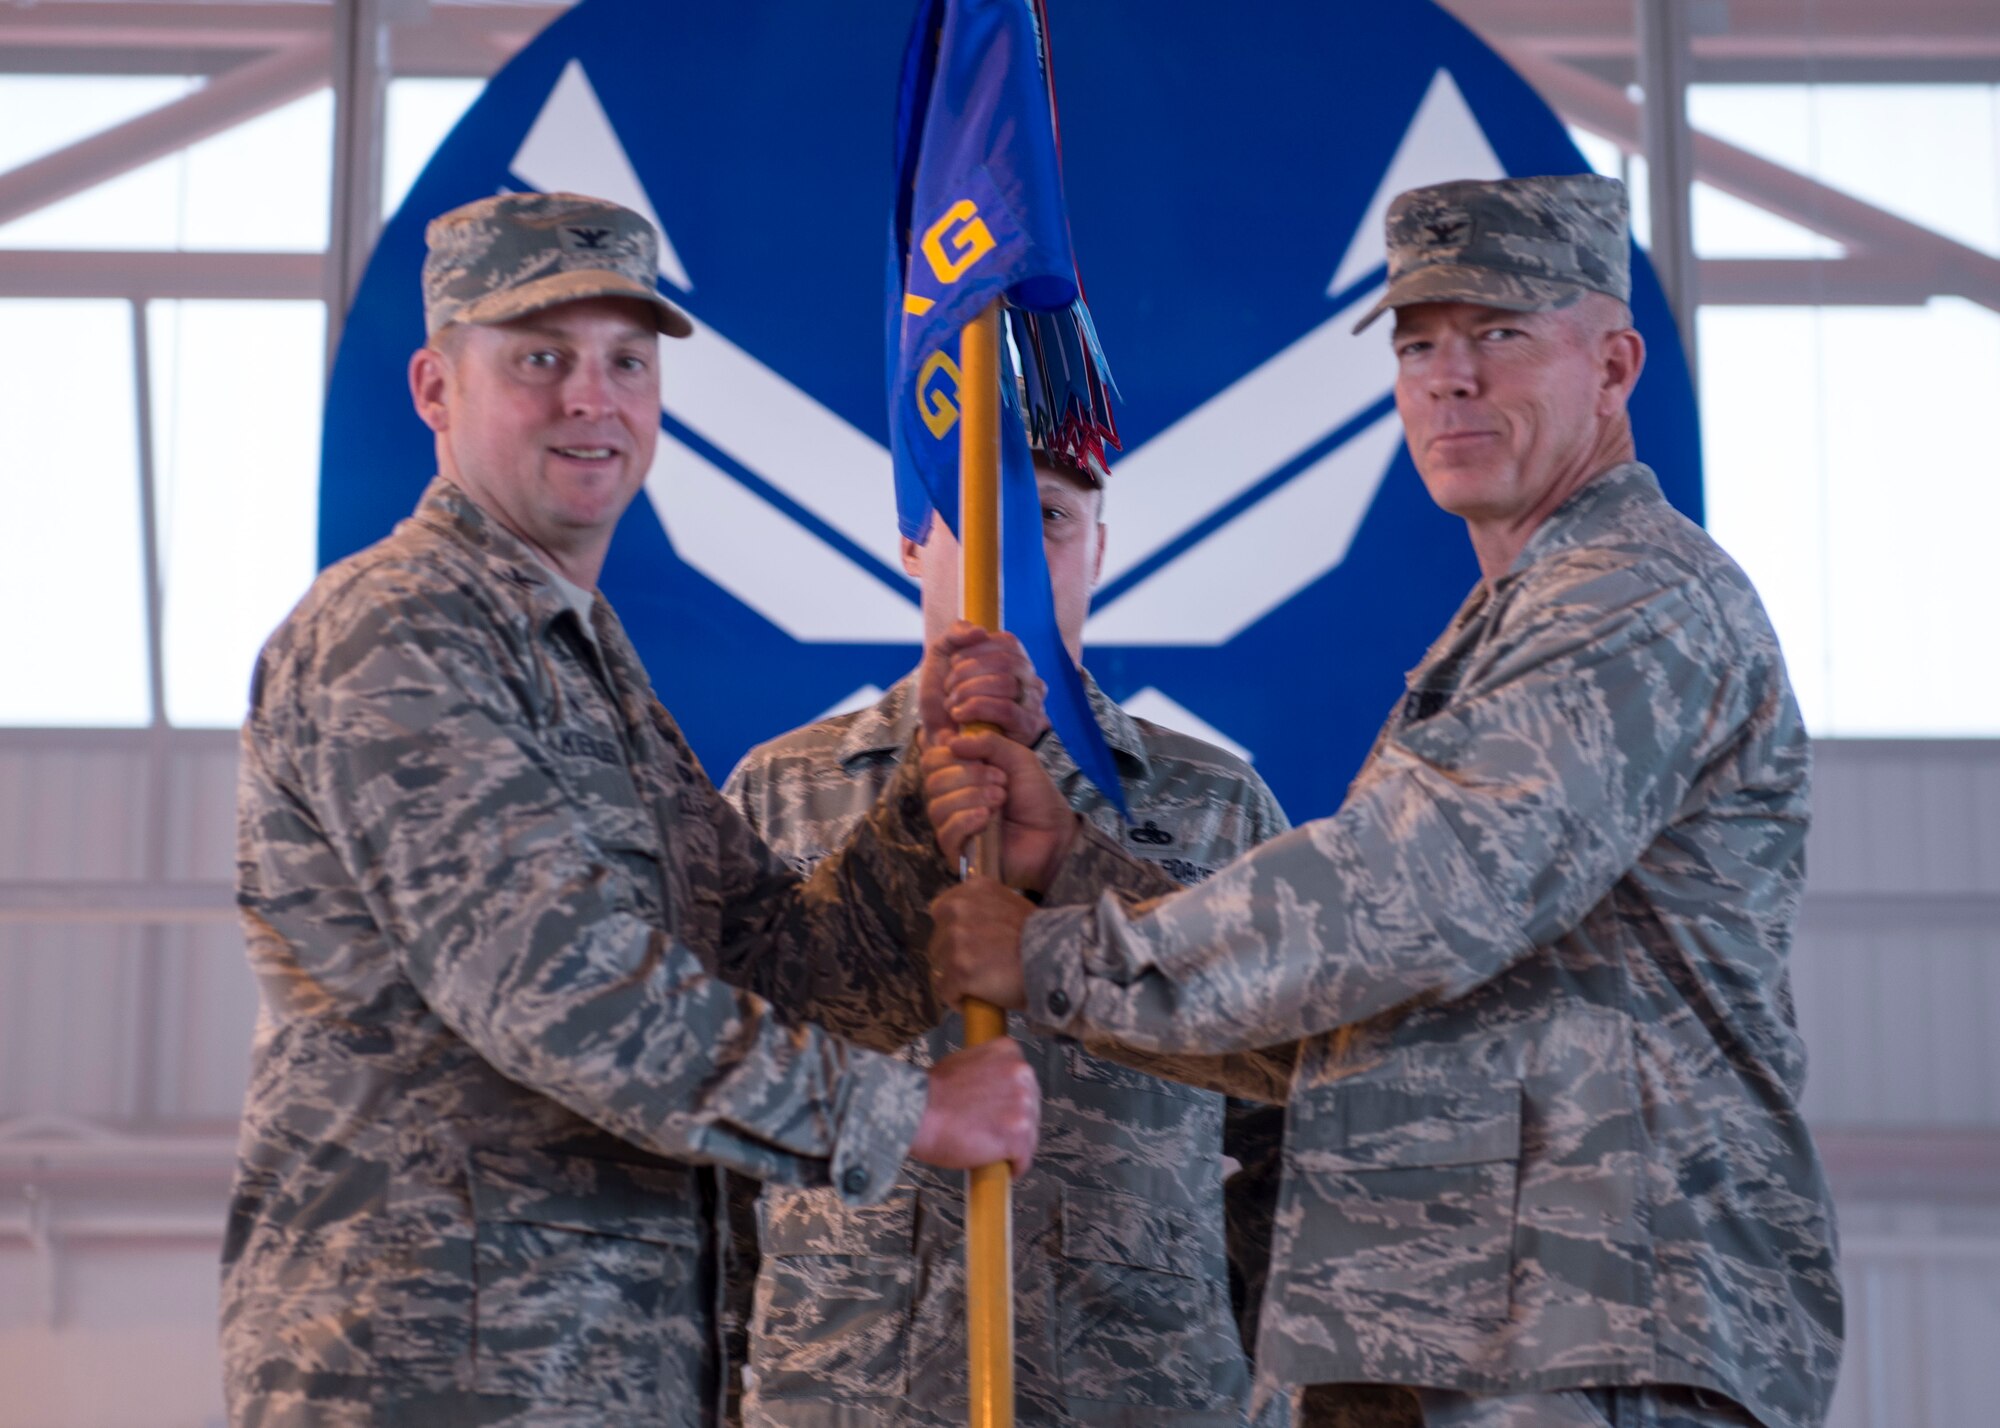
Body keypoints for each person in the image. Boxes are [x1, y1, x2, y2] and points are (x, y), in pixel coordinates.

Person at [921, 175, 1843, 1428]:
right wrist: (1078, 868)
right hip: (1456, 1343)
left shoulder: (1636, 604)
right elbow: (1344, 1015)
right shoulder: (1509, 623)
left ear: (1614, 366)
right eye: (1418, 344)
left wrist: (1062, 955)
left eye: (1498, 335)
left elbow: (1418, 898)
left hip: (1594, 1333)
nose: (1448, 378)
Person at [221, 191, 1039, 1428]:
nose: (589, 399)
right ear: (436, 389)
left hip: (603, 1374)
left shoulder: (582, 658)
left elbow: (775, 966)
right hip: (430, 1372)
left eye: (625, 362)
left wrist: (929, 817)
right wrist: (907, 1113)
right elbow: (555, 990)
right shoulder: (398, 630)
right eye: (539, 359)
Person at [720, 445, 1294, 1427]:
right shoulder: (779, 794)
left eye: (1053, 520)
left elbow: (1291, 1148)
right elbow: (717, 1137)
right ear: (910, 545)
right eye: (975, 517)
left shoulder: (1217, 808)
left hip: (1142, 1399)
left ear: (1101, 550)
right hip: (840, 1398)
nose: (1016, 554)